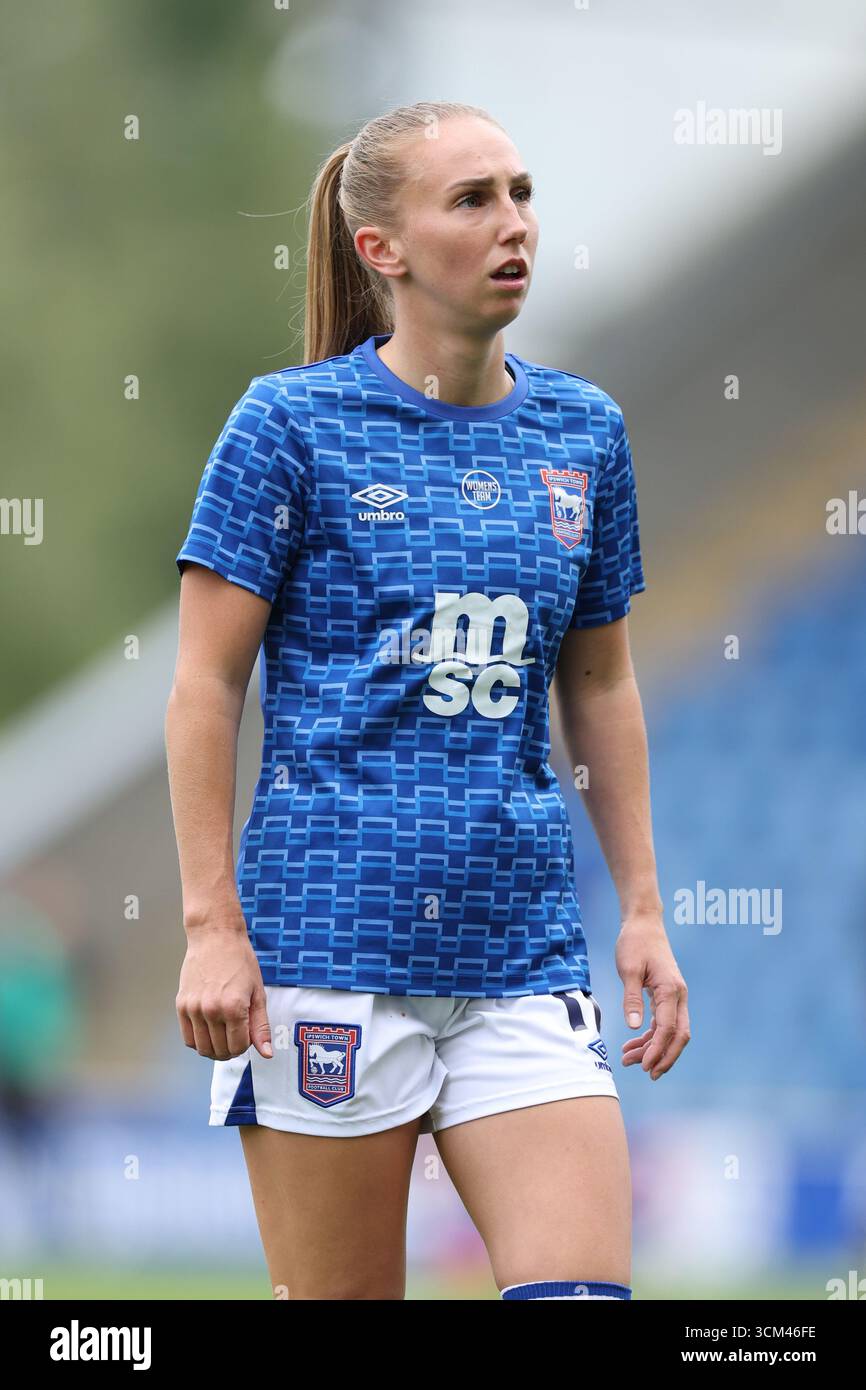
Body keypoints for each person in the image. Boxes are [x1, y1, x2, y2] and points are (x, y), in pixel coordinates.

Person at [165, 99, 689, 1302]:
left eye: (520, 192)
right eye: (472, 200)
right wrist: (210, 927)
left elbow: (600, 682)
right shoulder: (286, 426)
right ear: (379, 251)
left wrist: (644, 910)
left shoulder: (584, 431)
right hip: (325, 954)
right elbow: (204, 685)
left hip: (521, 952)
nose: (514, 225)